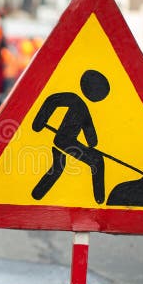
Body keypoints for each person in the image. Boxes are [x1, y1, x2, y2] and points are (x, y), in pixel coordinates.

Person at [31, 69, 110, 204]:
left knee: (58, 168)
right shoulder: (75, 101)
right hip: (65, 141)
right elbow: (52, 101)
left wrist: (38, 123)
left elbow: (90, 135)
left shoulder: (80, 105)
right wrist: (39, 122)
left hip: (64, 141)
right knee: (97, 160)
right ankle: (100, 199)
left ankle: (36, 195)